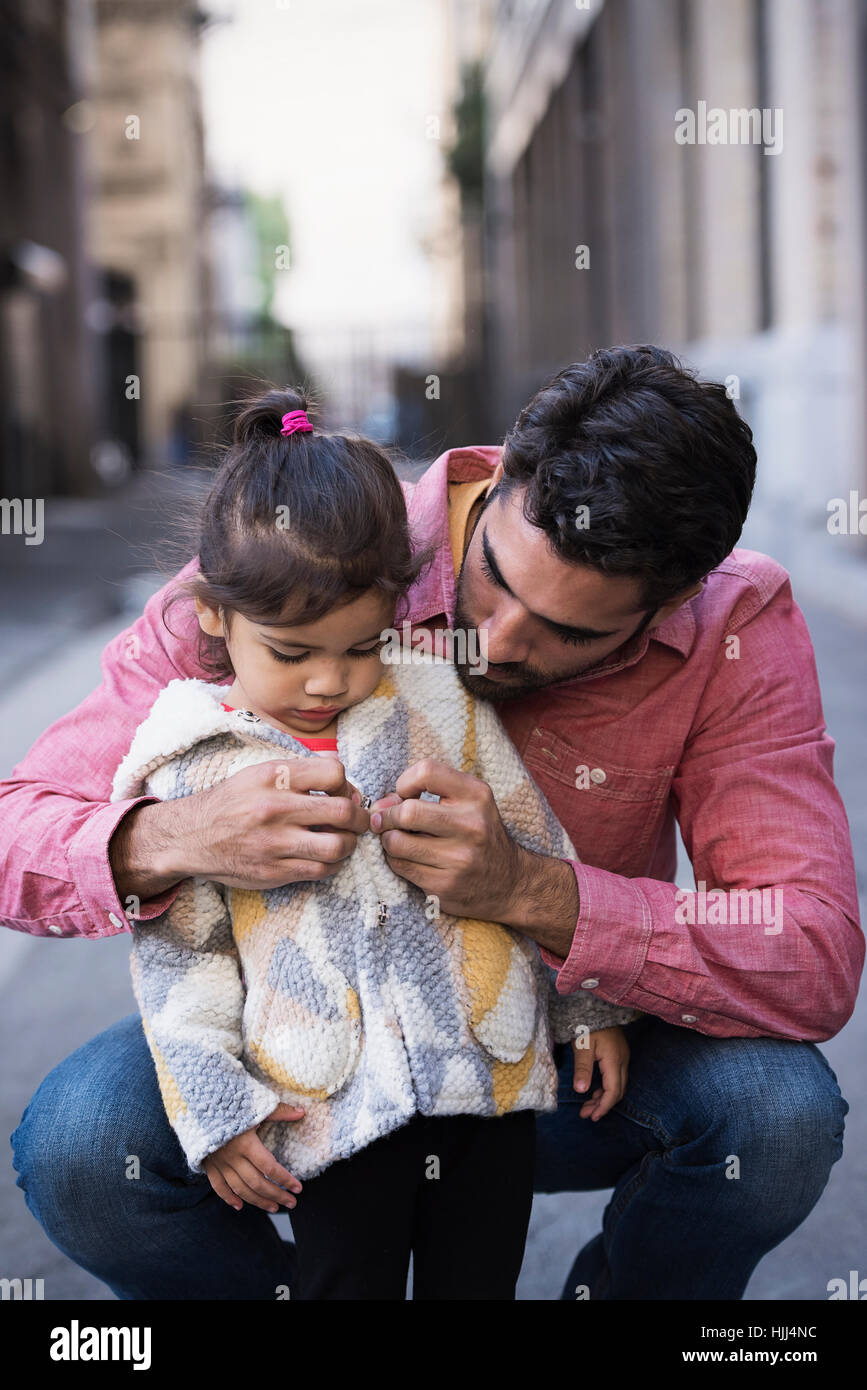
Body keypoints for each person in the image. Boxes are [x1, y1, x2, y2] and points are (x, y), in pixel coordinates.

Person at [6, 345, 861, 1300]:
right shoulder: (305, 552)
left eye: (571, 633)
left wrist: (536, 894)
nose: (493, 646)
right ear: (498, 480)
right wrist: (177, 834)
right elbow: (17, 831)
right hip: (304, 1049)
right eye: (496, 577)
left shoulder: (734, 621)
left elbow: (811, 947)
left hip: (562, 1061)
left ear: (672, 601)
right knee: (83, 1146)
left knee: (774, 1118)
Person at [108, 390, 637, 1300]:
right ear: (209, 616)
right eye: (292, 650)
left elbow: (534, 844)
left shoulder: (437, 700)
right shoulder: (193, 761)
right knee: (342, 1281)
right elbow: (179, 957)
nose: (328, 680)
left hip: (484, 1070)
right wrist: (214, 1107)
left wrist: (587, 1011)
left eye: (360, 646)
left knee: (478, 1280)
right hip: (323, 1094)